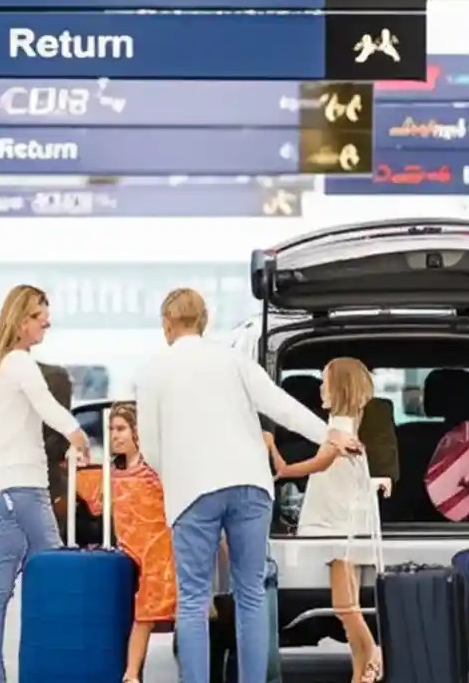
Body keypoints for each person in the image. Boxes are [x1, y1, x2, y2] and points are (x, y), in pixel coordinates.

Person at [135, 288, 360, 683]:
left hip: (194, 491)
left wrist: (177, 475)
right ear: (203, 321)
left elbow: (151, 446)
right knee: (251, 593)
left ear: (166, 323)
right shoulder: (233, 359)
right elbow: (280, 404)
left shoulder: (155, 368)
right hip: (250, 485)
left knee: (192, 600)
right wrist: (329, 435)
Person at [0, 284, 90, 683]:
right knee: (56, 577)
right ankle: (55, 667)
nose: (48, 323)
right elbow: (47, 405)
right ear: (22, 322)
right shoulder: (21, 362)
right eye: (41, 317)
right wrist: (78, 435)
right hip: (22, 488)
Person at [273, 357, 384, 683]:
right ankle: (359, 672)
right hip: (351, 520)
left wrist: (283, 468)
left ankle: (374, 653)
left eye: (325, 381)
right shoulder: (351, 421)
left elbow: (320, 464)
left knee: (343, 605)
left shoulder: (338, 424)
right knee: (351, 606)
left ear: (338, 387)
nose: (320, 387)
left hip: (337, 524)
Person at [74, 403, 175, 683]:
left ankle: (131, 674)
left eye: (121, 429)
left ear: (137, 432)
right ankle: (131, 674)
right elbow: (91, 500)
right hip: (128, 555)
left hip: (159, 550)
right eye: (111, 429)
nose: (114, 435)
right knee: (138, 613)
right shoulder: (110, 472)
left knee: (149, 611)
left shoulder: (155, 470)